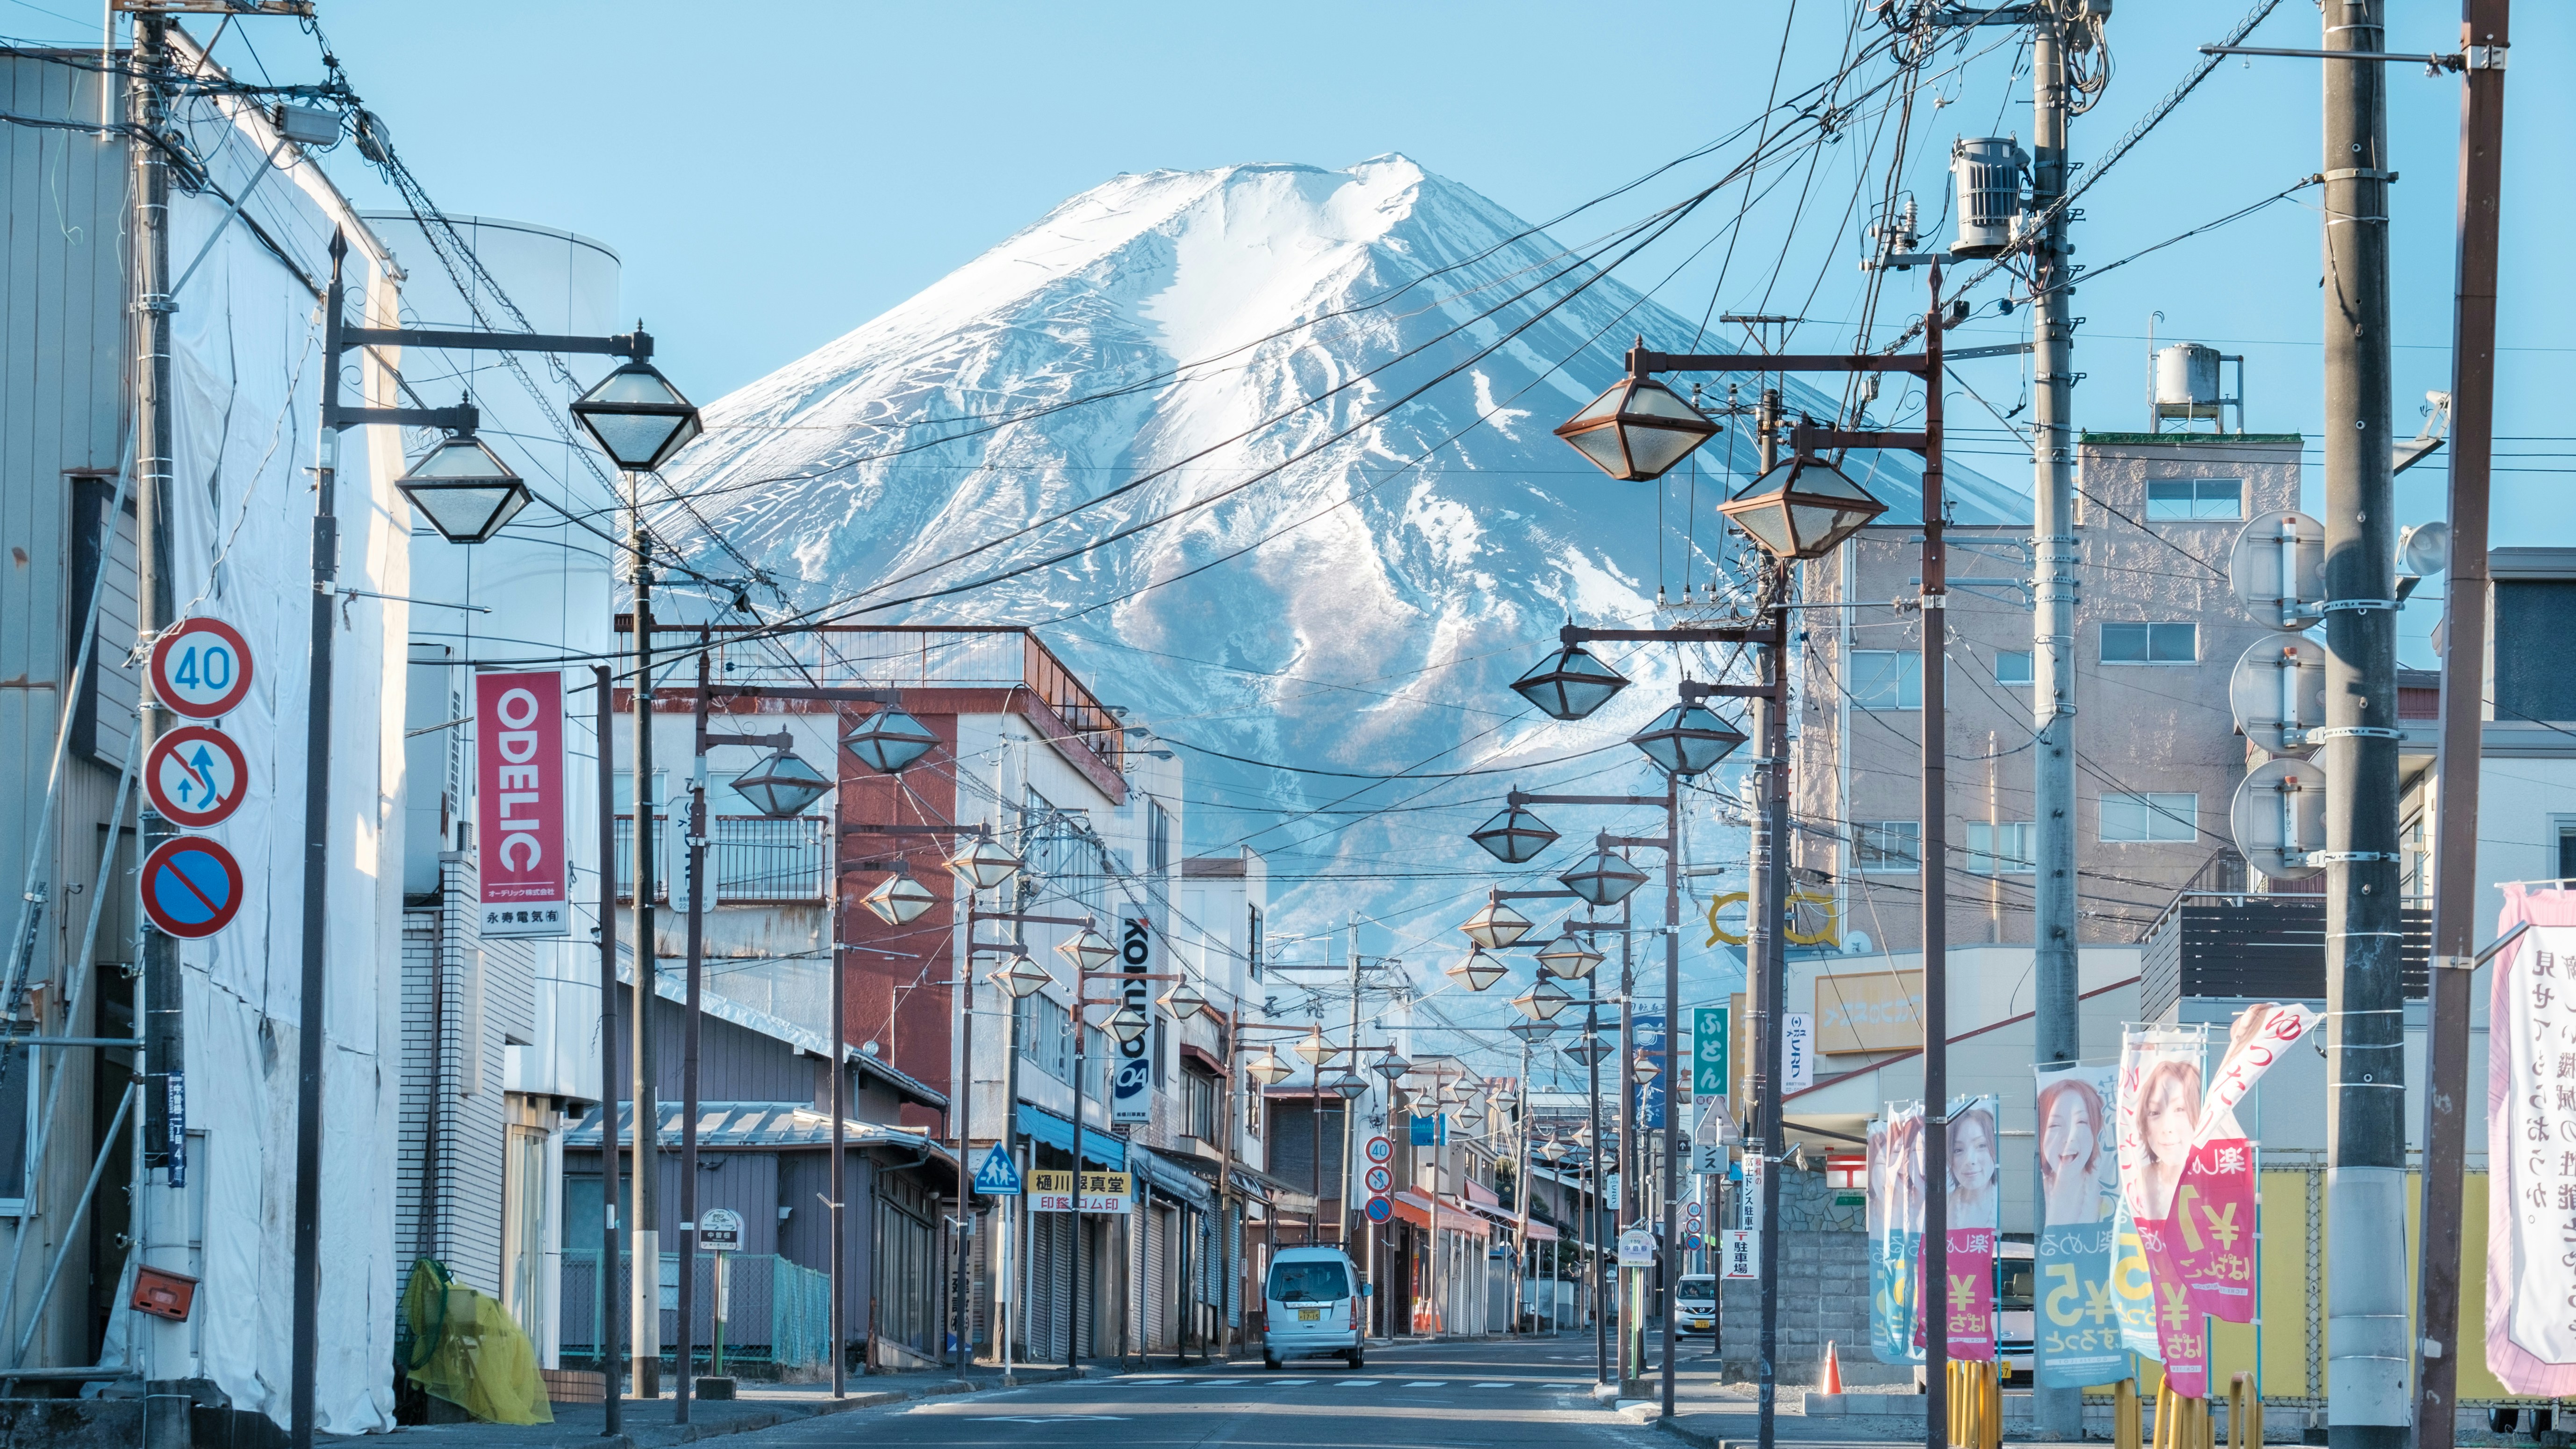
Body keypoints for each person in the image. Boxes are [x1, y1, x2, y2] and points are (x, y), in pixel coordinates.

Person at [2129, 1058, 2203, 1220]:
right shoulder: (2140, 1181)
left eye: (2180, 1109)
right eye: (2154, 1113)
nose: (2167, 1128)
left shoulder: (2216, 1177)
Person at [2037, 1075, 2110, 1227]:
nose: (2069, 1137)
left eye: (2081, 1122)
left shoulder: (2110, 1195)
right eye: (2055, 1125)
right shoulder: (2037, 1194)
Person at [1946, 1103, 2000, 1229]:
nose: (1970, 1161)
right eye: (1958, 1150)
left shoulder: (2003, 1200)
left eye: (1981, 1146)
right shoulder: (1942, 1205)